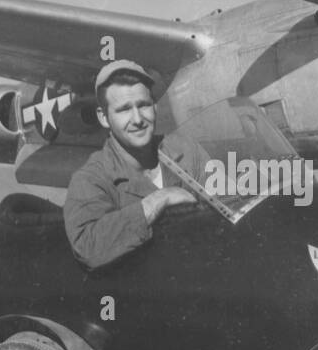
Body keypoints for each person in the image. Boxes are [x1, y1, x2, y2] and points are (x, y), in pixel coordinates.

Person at [63, 60, 211, 270]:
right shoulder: (90, 179)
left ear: (155, 106)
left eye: (143, 105)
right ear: (104, 118)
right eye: (124, 110)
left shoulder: (186, 150)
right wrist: (158, 200)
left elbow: (228, 201)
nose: (138, 119)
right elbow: (87, 246)